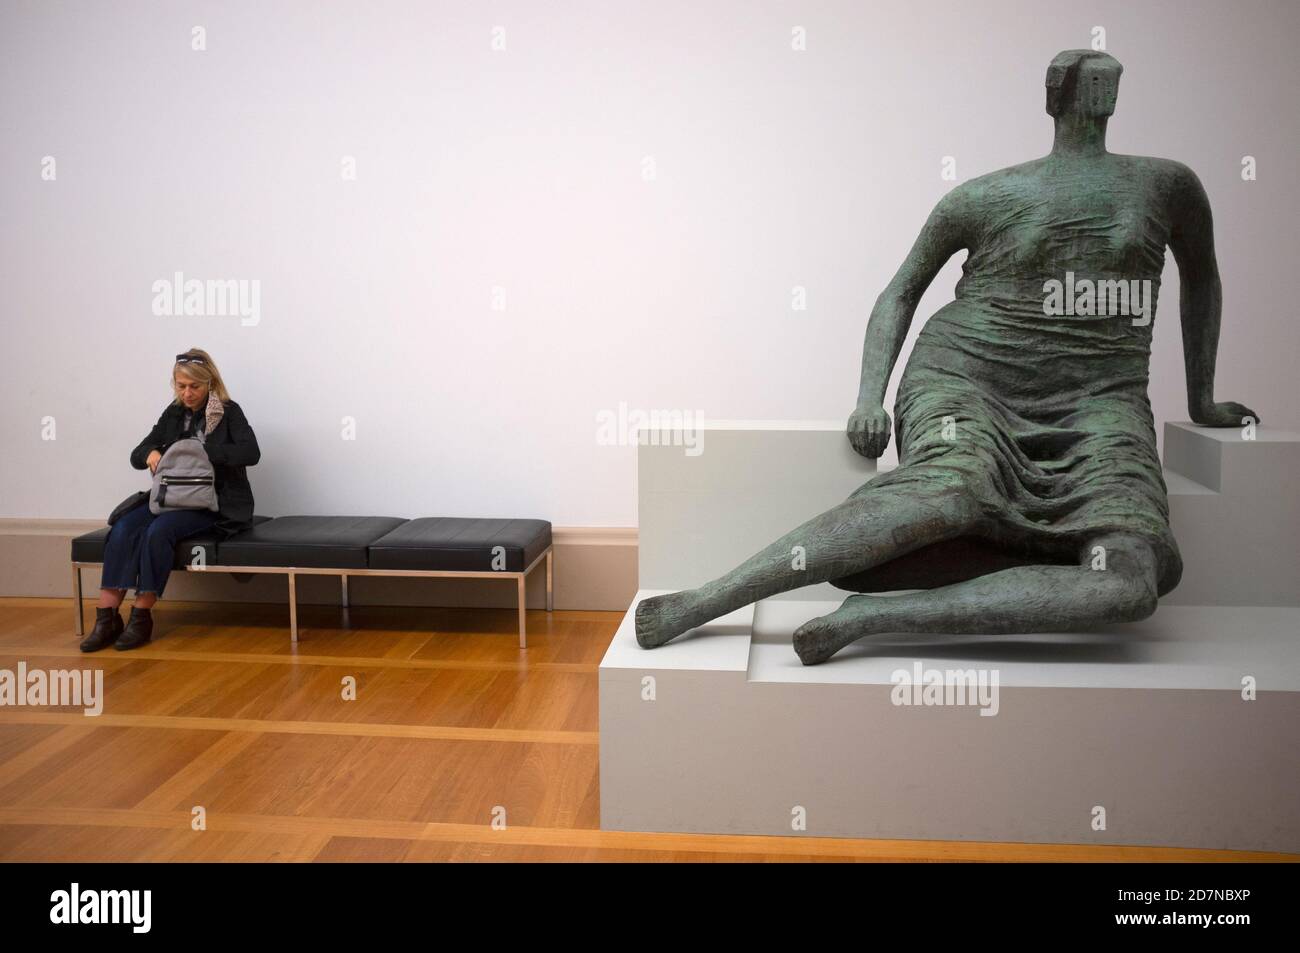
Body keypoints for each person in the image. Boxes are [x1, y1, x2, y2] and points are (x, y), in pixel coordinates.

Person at [635, 50, 1258, 664]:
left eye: (1110, 79)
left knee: (1127, 586)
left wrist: (1201, 399)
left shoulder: (1167, 185)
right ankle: (703, 600)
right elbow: (900, 290)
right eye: (1090, 80)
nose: (1105, 88)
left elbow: (1202, 278)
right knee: (951, 493)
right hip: (969, 381)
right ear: (1060, 95)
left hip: (1103, 407)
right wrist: (867, 398)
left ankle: (876, 615)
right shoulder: (987, 195)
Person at [80, 348, 261, 652]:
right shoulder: (174, 413)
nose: (187, 393)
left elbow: (251, 453)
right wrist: (150, 453)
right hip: (169, 497)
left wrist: (201, 454)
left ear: (210, 383)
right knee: (124, 528)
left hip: (211, 503)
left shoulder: (228, 412)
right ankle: (107, 618)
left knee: (158, 531)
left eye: (195, 387)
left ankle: (141, 616)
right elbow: (138, 453)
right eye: (181, 386)